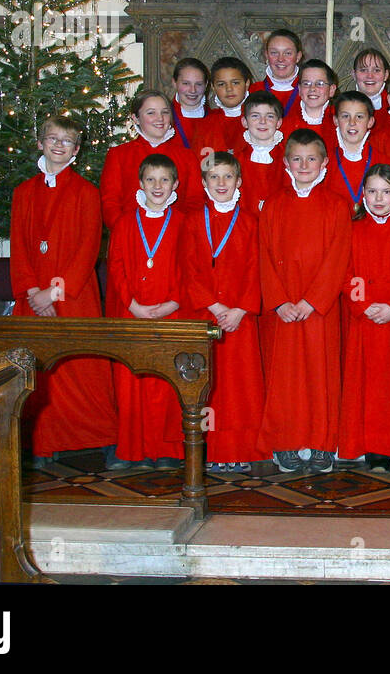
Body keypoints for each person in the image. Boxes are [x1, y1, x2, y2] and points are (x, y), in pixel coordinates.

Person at [12, 115, 117, 466]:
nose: (58, 145)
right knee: (38, 375)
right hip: (32, 299)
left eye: (66, 140)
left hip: (72, 299)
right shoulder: (23, 192)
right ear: (40, 143)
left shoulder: (87, 192)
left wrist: (53, 294)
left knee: (80, 369)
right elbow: (20, 249)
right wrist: (32, 291)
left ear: (76, 149)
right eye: (52, 138)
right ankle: (40, 444)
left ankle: (98, 438)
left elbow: (87, 250)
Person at [255, 130, 352, 474]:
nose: (304, 165)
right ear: (285, 164)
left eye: (312, 159)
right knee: (286, 376)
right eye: (297, 159)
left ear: (325, 163)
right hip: (283, 306)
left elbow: (338, 257)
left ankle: (322, 441)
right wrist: (280, 301)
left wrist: (314, 300)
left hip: (318, 307)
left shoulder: (337, 206)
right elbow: (264, 256)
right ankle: (285, 440)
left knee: (321, 373)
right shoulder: (272, 206)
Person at [181, 152, 266, 471]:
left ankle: (242, 448)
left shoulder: (248, 223)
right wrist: (214, 306)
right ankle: (212, 450)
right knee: (208, 384)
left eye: (227, 177)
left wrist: (241, 309)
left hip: (239, 319)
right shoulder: (192, 222)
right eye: (214, 177)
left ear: (239, 182)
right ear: (203, 183)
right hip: (206, 315)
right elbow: (188, 268)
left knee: (240, 386)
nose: (221, 183)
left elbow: (256, 268)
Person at [338, 164, 390, 472]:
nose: (378, 198)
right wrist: (364, 306)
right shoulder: (352, 231)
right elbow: (345, 273)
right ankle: (374, 448)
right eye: (372, 191)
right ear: (363, 195)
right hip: (364, 322)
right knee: (369, 386)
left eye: (386, 192)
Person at [105, 153, 187, 468]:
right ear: (140, 184)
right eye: (151, 180)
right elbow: (118, 267)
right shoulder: (126, 223)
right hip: (134, 313)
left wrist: (173, 302)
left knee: (166, 384)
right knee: (131, 384)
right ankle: (132, 449)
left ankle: (166, 449)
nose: (157, 186)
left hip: (172, 312)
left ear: (175, 185)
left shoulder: (182, 223)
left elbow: (189, 267)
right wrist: (133, 305)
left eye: (164, 180)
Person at [99, 89, 202, 230]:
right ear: (136, 118)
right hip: (130, 236)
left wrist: (180, 230)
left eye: (165, 112)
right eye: (151, 112)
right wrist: (123, 231)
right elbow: (110, 203)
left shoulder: (187, 156)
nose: (160, 119)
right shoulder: (118, 155)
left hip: (175, 236)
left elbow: (195, 202)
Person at [325, 91, 381, 214]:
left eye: (359, 117)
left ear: (370, 122)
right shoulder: (324, 163)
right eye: (345, 116)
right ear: (335, 120)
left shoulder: (383, 162)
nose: (352, 122)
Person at [232, 90, 289, 211]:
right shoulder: (235, 160)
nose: (262, 121)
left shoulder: (288, 158)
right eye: (255, 116)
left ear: (278, 122)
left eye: (269, 116)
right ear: (244, 122)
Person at [194, 56, 252, 156]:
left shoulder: (261, 120)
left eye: (235, 83)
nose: (229, 89)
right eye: (221, 84)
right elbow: (203, 166)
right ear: (213, 87)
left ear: (246, 83)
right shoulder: (205, 126)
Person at [282, 58, 338, 154]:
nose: (312, 88)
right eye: (306, 83)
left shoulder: (340, 122)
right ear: (299, 89)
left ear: (331, 90)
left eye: (320, 84)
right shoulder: (285, 125)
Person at [258, 29, 304, 115]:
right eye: (274, 53)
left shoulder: (309, 93)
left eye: (288, 53)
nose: (280, 59)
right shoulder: (252, 91)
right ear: (266, 55)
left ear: (298, 56)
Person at [170, 57, 210, 150]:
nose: (193, 90)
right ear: (174, 83)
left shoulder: (216, 120)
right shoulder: (162, 120)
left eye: (199, 84)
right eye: (186, 83)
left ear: (206, 85)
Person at [351, 48, 390, 116]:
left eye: (376, 70)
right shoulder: (340, 108)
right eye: (363, 70)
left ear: (386, 75)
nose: (370, 76)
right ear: (354, 74)